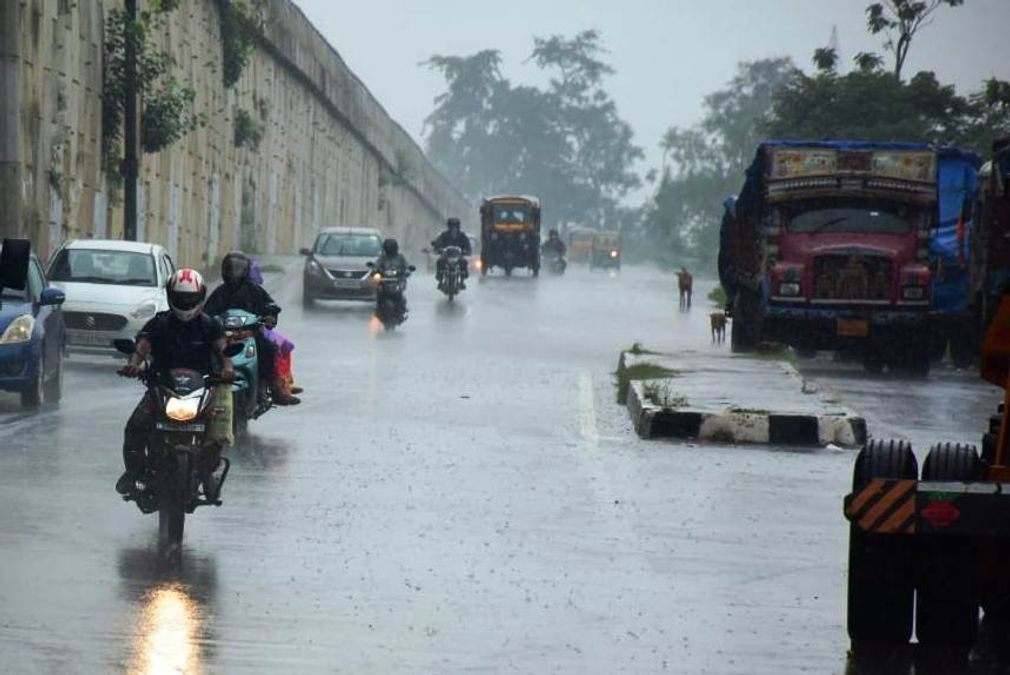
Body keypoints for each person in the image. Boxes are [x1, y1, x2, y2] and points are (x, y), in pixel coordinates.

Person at [116, 268, 235, 496]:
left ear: (200, 297)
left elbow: (223, 350)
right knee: (134, 428)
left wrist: (228, 369)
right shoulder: (159, 323)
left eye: (190, 298)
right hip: (161, 387)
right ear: (171, 296)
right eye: (181, 297)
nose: (185, 302)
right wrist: (134, 364)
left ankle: (208, 472)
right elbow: (143, 346)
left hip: (202, 390)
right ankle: (134, 473)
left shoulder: (210, 325)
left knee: (216, 433)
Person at [203, 251, 300, 405]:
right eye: (231, 268)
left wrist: (269, 316)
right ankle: (202, 389)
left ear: (246, 270)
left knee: (268, 349)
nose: (234, 273)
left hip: (250, 335)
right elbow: (206, 313)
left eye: (238, 269)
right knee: (204, 351)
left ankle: (275, 388)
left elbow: (270, 306)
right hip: (224, 337)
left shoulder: (255, 290)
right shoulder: (219, 292)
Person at [373, 238, 412, 314]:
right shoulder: (382, 258)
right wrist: (375, 270)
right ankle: (379, 308)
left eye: (391, 247)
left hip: (397, 280)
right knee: (379, 290)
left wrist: (407, 271)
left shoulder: (400, 257)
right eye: (388, 247)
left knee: (400, 292)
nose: (390, 249)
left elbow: (407, 266)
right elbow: (377, 266)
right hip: (384, 280)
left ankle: (401, 307)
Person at [432, 217, 471, 289]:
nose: (454, 228)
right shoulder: (444, 235)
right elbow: (438, 243)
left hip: (458, 256)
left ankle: (462, 281)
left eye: (455, 226)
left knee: (464, 262)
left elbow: (467, 244)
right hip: (446, 255)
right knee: (440, 261)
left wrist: (467, 251)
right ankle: (440, 279)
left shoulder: (462, 236)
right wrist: (438, 249)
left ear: (458, 226)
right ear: (449, 226)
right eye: (452, 226)